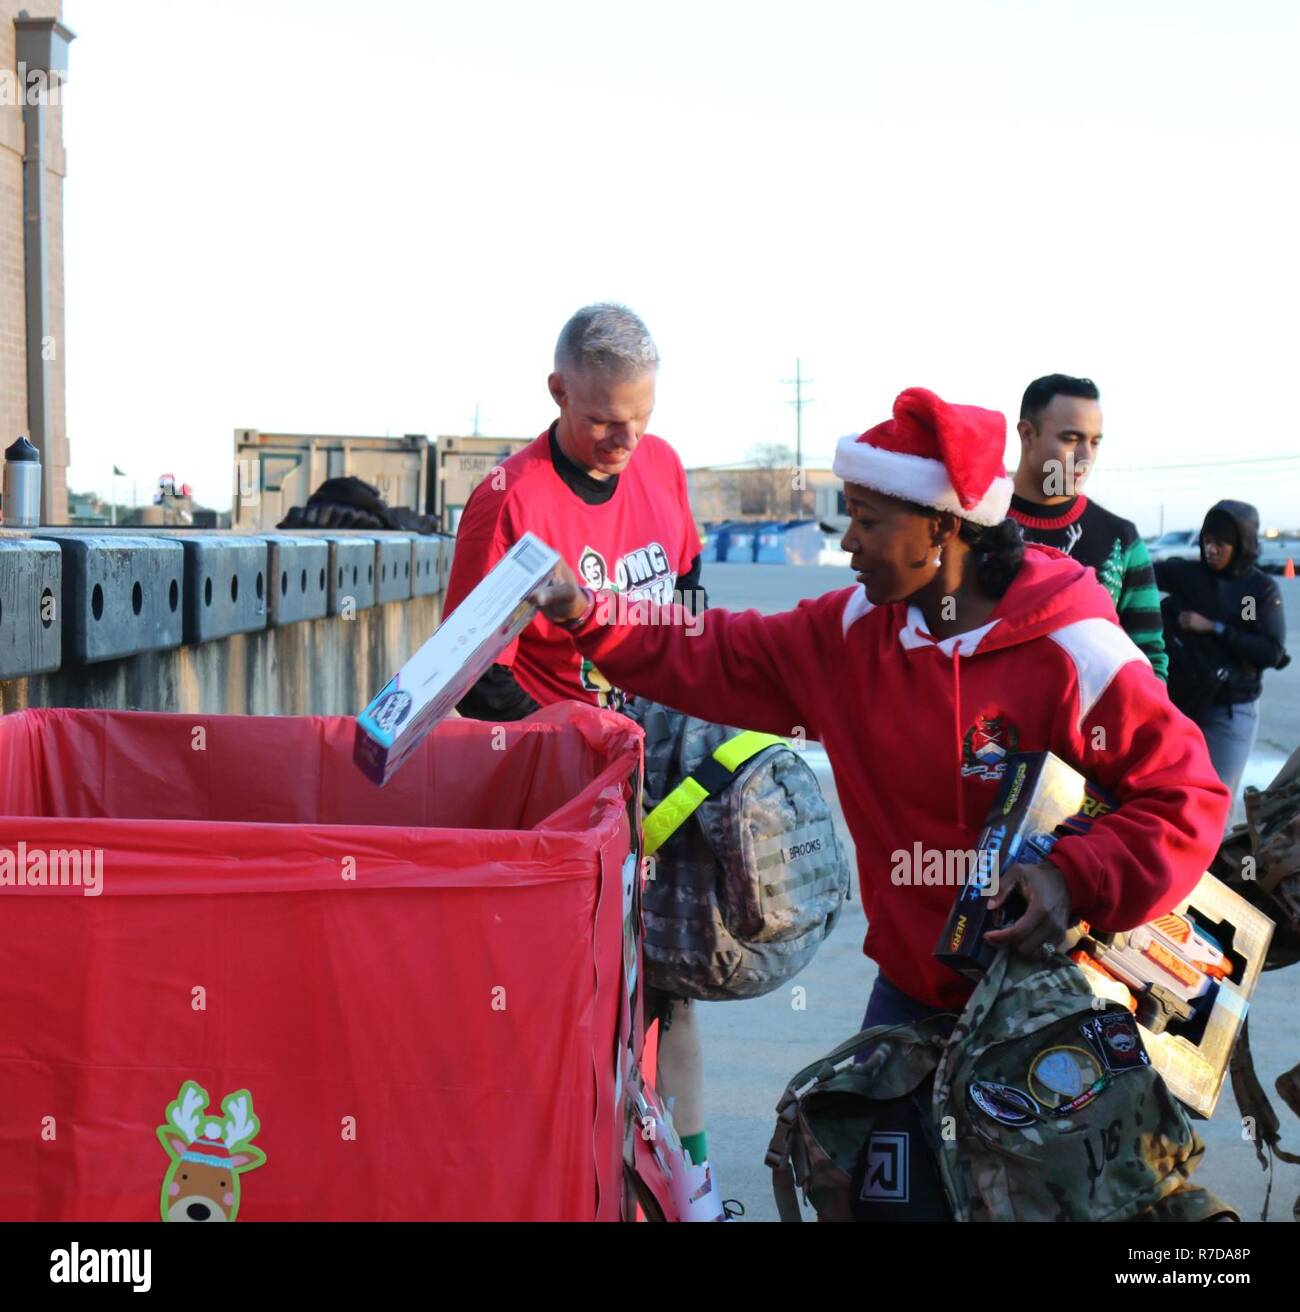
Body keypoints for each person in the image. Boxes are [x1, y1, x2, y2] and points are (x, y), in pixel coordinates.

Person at [534, 387, 1229, 1214]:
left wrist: (1072, 877)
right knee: (888, 1201)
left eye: (868, 520)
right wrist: (587, 615)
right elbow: (713, 654)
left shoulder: (1070, 645)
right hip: (911, 994)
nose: (849, 541)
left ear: (942, 527)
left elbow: (1187, 797)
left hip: (1050, 1010)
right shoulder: (851, 633)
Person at [442, 303, 719, 1204]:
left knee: (670, 983)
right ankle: (557, 1175)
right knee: (564, 998)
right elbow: (470, 671)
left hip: (649, 762)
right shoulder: (508, 499)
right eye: (601, 418)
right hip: (555, 779)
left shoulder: (663, 467)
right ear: (558, 392)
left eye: (639, 418)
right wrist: (579, 753)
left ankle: (693, 1182)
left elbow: (686, 599)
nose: (621, 438)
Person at [1008, 374, 1168, 679]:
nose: (1085, 457)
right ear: (1027, 435)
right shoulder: (975, 527)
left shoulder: (1122, 540)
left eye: (1094, 442)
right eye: (1071, 439)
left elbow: (1148, 657)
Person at [1155, 499, 1289, 811]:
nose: (1211, 549)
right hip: (1178, 704)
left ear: (1240, 545)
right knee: (1162, 800)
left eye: (1221, 543)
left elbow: (1270, 651)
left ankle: (1211, 861)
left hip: (1229, 711)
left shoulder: (1257, 590)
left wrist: (1213, 628)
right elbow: (1138, 575)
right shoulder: (1187, 574)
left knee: (1213, 809)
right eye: (1207, 541)